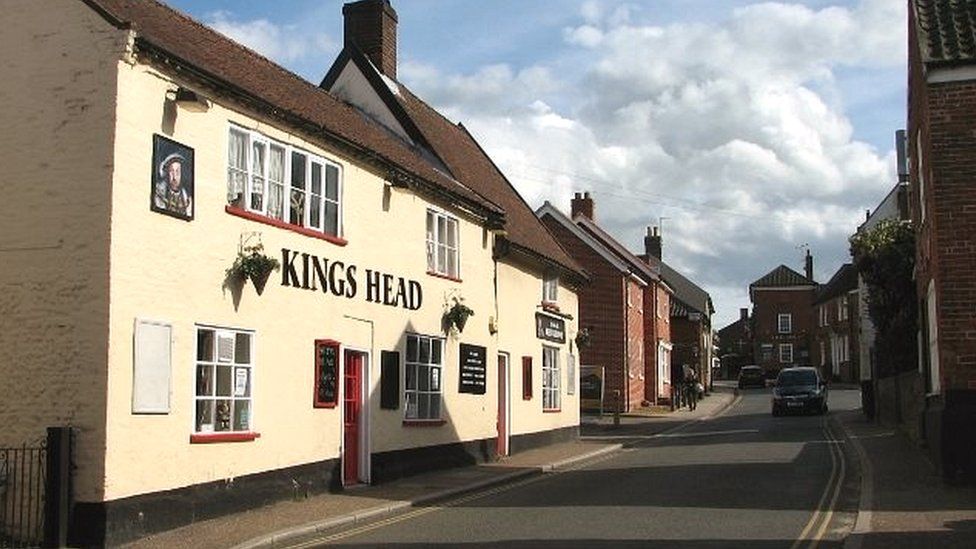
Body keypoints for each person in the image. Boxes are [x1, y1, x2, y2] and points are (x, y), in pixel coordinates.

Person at [154, 152, 192, 216]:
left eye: (177, 172)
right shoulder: (158, 194)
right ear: (167, 173)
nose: (174, 177)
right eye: (171, 171)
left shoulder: (188, 200)